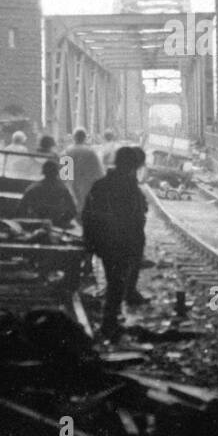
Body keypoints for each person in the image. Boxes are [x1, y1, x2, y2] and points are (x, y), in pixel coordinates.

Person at [82, 145, 148, 339]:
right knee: (116, 281)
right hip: (119, 241)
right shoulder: (92, 155)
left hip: (75, 195)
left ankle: (111, 320)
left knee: (115, 280)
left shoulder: (69, 153)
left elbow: (68, 176)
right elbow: (134, 218)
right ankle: (109, 323)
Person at [17, 158, 79, 228]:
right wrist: (63, 221)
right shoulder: (63, 189)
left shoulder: (33, 188)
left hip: (36, 223)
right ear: (57, 173)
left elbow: (21, 209)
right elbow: (73, 210)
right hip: (56, 224)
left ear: (43, 172)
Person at [64, 127, 104, 214]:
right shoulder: (90, 151)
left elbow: (65, 172)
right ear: (84, 138)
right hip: (87, 183)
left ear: (74, 138)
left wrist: (67, 182)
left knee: (76, 204)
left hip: (72, 182)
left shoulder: (68, 151)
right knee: (85, 205)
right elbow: (98, 171)